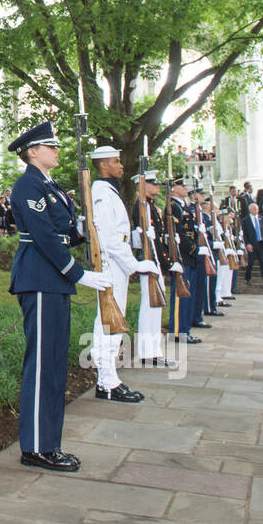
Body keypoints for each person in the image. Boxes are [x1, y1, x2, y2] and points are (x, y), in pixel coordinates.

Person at [9, 122, 108, 470]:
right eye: (49, 146)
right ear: (32, 151)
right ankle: (35, 447)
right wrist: (79, 273)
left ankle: (48, 444)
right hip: (40, 277)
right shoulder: (28, 185)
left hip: (53, 280)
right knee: (40, 366)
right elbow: (45, 237)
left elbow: (66, 231)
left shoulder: (52, 188)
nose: (56, 150)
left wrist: (88, 231)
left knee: (53, 366)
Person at [88, 146, 153, 402]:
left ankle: (109, 378)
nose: (121, 165)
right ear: (103, 165)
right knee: (108, 321)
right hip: (111, 263)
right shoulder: (101, 192)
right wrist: (134, 264)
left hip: (117, 262)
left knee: (115, 320)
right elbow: (109, 239)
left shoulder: (109, 191)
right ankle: (106, 381)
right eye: (116, 161)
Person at [130, 170, 173, 368]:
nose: (157, 187)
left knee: (155, 306)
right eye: (152, 184)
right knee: (150, 306)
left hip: (155, 262)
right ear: (143, 186)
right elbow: (144, 241)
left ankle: (153, 351)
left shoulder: (151, 207)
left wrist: (166, 263)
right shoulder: (140, 207)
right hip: (148, 262)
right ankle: (147, 352)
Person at [164, 177, 201, 344]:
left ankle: (185, 330)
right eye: (182, 185)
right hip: (182, 255)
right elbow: (177, 233)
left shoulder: (182, 206)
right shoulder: (173, 206)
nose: (186, 188)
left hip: (190, 256)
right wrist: (193, 248)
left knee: (187, 295)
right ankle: (178, 332)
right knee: (181, 296)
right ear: (174, 188)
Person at [242, 201, 263, 289]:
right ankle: (247, 278)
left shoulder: (261, 218)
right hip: (252, 244)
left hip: (261, 243)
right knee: (250, 263)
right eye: (254, 209)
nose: (256, 211)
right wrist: (247, 244)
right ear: (250, 210)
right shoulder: (245, 220)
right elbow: (244, 234)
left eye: (257, 209)